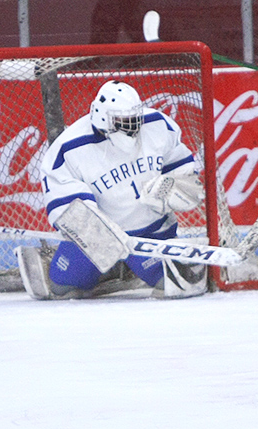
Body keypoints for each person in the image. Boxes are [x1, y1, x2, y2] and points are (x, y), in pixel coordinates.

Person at [17, 80, 207, 299]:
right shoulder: (69, 149)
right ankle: (110, 268)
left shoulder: (157, 124)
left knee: (176, 287)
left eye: (135, 119)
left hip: (150, 234)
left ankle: (126, 268)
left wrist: (174, 189)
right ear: (101, 117)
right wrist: (103, 234)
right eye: (124, 122)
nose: (133, 127)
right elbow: (69, 210)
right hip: (98, 243)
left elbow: (183, 170)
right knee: (64, 290)